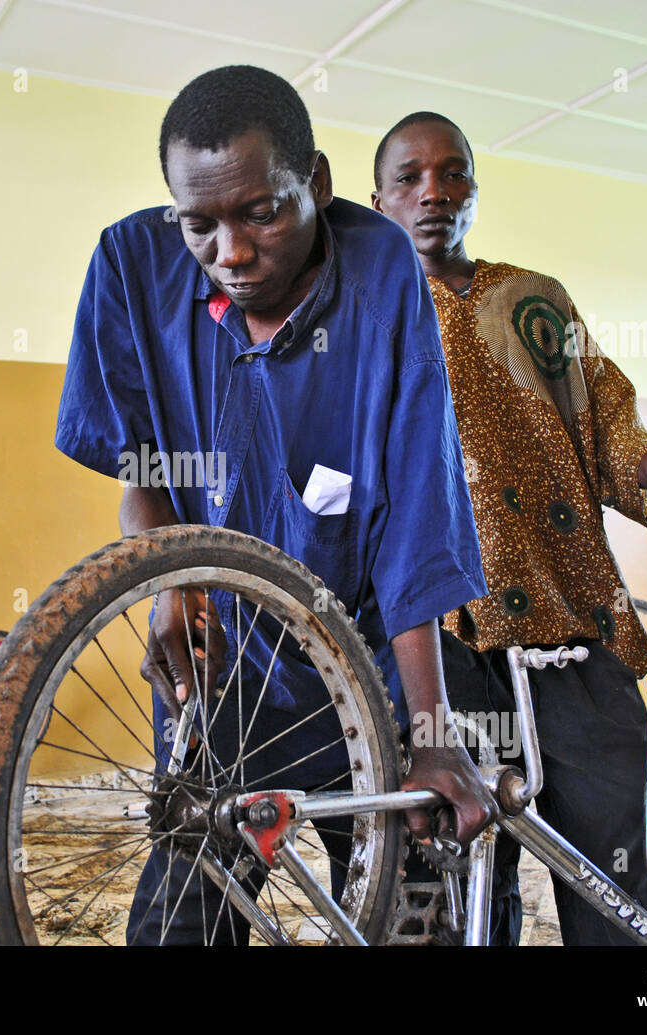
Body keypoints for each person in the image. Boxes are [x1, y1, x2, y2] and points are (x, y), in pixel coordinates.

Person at [55, 67, 497, 944]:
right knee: (184, 914)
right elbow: (137, 456)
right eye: (200, 224)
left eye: (263, 212)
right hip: (219, 666)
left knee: (412, 909)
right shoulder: (131, 265)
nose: (232, 251)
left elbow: (412, 516)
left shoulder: (383, 276)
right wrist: (169, 590)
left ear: (319, 186)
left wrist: (432, 732)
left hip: (362, 661)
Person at [371, 112, 647, 945]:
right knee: (453, 871)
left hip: (569, 623)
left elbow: (607, 417)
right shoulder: (365, 318)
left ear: (472, 185)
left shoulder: (535, 299)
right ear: (378, 198)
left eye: (454, 172)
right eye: (410, 177)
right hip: (439, 641)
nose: (434, 191)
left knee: (628, 864)